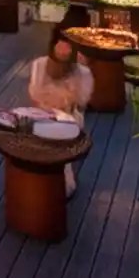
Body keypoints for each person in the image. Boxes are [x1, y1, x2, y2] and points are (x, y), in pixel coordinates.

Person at [27, 35, 93, 197]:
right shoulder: (39, 65)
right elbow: (35, 94)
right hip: (42, 114)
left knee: (61, 136)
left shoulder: (82, 72)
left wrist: (72, 85)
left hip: (69, 116)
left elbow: (82, 100)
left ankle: (64, 185)